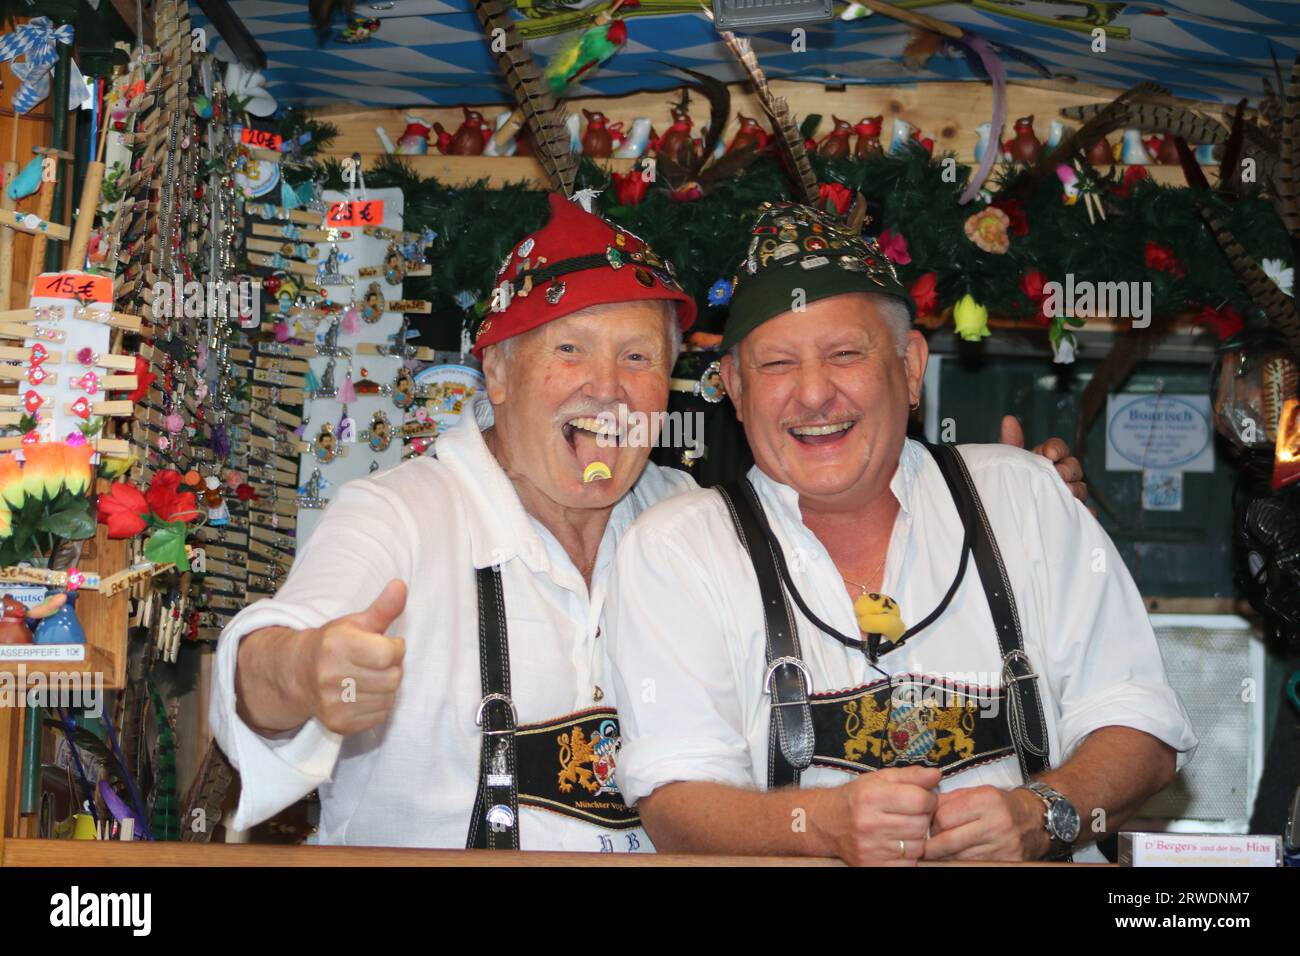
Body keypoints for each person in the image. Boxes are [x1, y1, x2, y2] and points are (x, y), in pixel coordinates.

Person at [210, 194, 1088, 853]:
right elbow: (260, 672)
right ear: (500, 375)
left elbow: (865, 519)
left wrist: (1019, 504)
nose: (609, 388)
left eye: (637, 359)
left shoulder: (701, 521)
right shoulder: (399, 514)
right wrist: (307, 671)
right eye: (569, 352)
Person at [604, 200, 1198, 865]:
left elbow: (1142, 726)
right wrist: (821, 825)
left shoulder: (1022, 496)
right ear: (736, 390)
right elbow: (675, 807)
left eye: (845, 354)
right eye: (776, 366)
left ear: (911, 367)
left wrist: (1043, 813)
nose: (813, 394)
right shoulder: (678, 549)